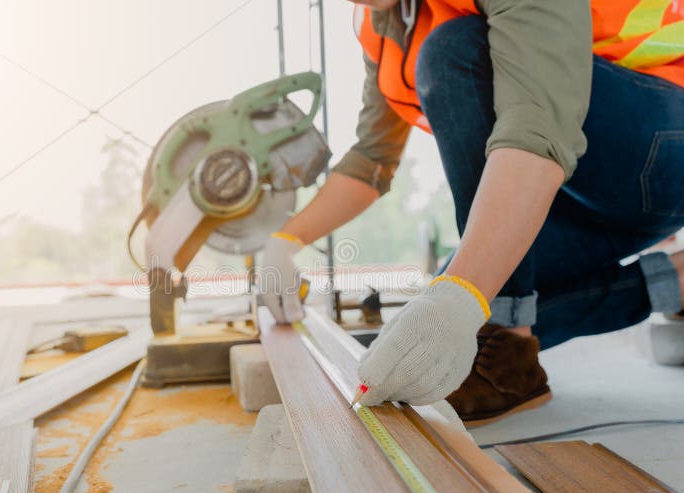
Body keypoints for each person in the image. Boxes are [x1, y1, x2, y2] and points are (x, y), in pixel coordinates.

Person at [260, 0, 684, 426]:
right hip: (585, 187)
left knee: (454, 51)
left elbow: (540, 126)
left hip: (664, 147)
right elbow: (372, 158)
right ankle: (672, 284)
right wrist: (284, 242)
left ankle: (507, 340)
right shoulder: (382, 23)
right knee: (453, 311)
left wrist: (464, 293)